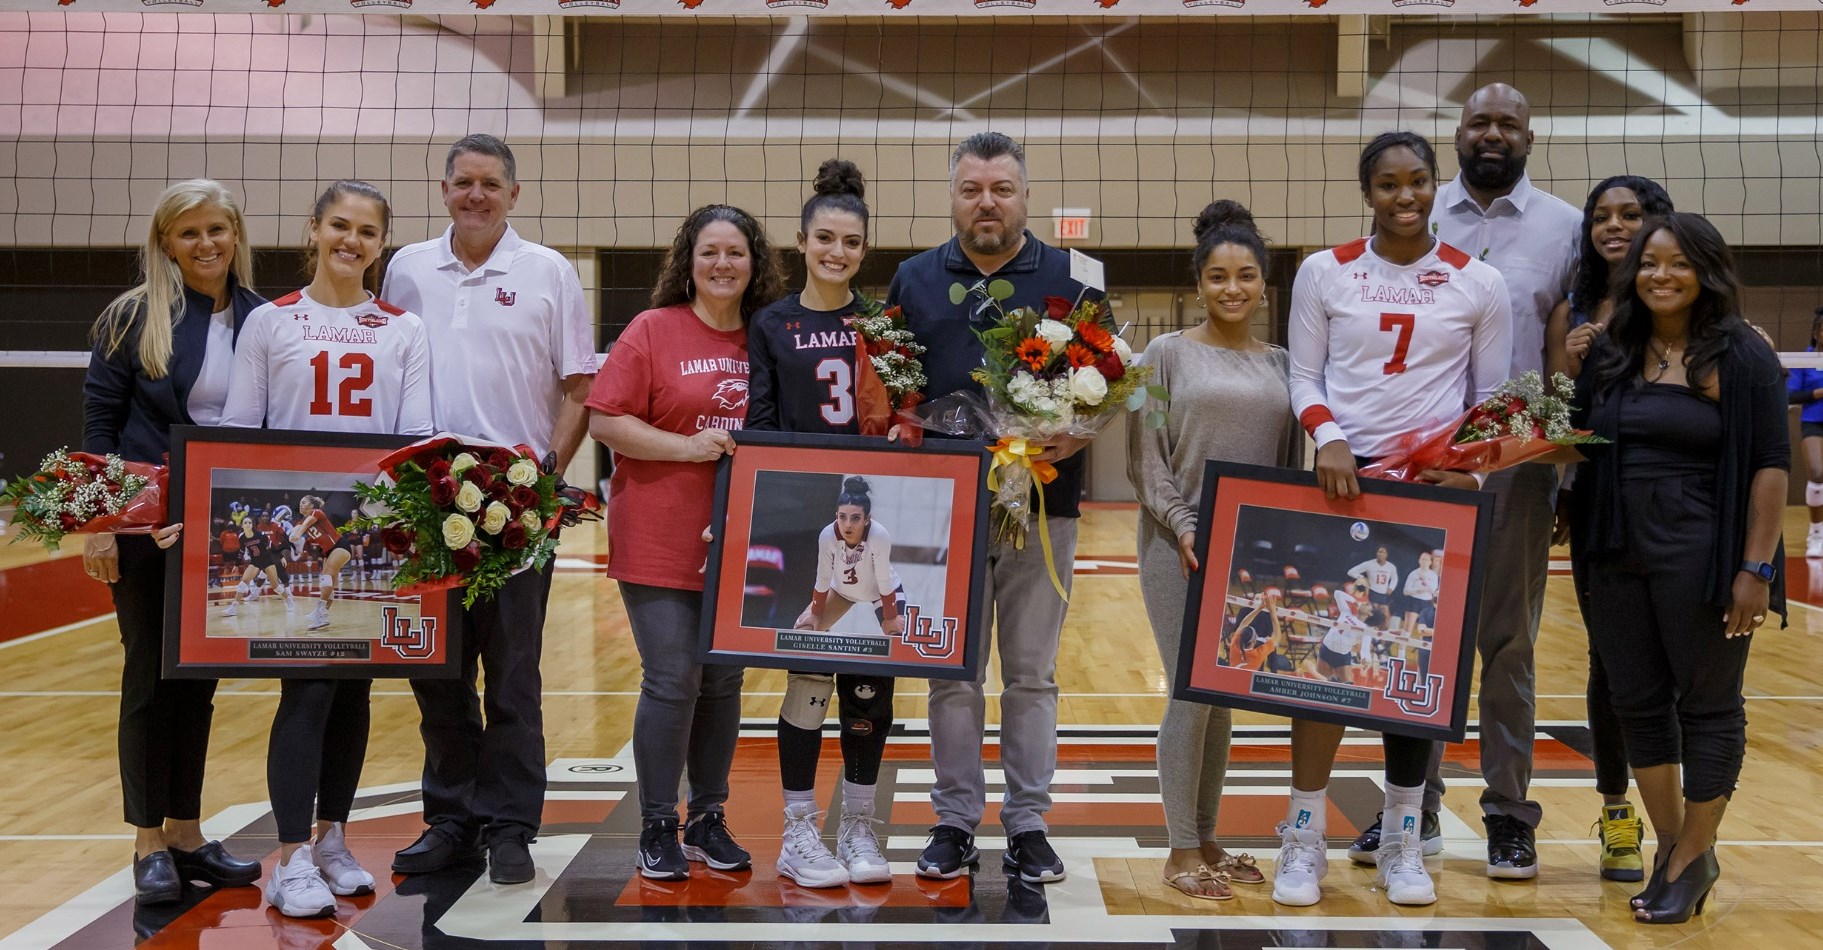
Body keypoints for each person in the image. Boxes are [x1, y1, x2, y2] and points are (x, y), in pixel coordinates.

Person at [1282, 130, 1512, 908]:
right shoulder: (1324, 270)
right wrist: (1331, 439)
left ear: (1435, 184)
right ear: (1367, 190)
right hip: (1339, 488)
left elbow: (1492, 403)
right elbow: (1305, 375)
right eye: (1387, 184)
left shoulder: (1478, 283)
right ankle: (1302, 840)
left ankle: (1404, 844)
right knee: (1324, 672)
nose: (1404, 196)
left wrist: (1467, 464)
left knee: (1413, 673)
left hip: (1431, 501)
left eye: (1417, 182)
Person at [1365, 83, 1583, 883]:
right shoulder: (1415, 211)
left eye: (1507, 123)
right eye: (1477, 122)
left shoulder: (1563, 229)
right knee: (1413, 644)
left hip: (1515, 474)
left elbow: (1589, 336)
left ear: (1530, 135)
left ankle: (1505, 815)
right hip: (1418, 468)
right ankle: (1409, 809)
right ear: (1455, 134)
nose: (1492, 134)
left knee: (1508, 643)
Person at [380, 134, 600, 886]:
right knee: (437, 677)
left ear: (514, 193)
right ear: (443, 190)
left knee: (511, 680)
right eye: (463, 182)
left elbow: (580, 387)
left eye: (491, 184)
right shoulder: (405, 268)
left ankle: (509, 826)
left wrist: (543, 484)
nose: (476, 195)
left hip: (515, 514)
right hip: (423, 507)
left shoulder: (549, 272)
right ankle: (451, 819)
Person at [886, 131, 1099, 884]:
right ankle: (951, 821)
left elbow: (1106, 388)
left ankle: (1029, 824)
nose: (986, 202)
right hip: (940, 511)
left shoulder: (1075, 277)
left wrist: (1079, 432)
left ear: (1024, 196)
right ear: (952, 197)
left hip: (1044, 505)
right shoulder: (909, 281)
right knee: (951, 673)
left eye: (1001, 189)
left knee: (1032, 674)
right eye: (972, 189)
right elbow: (894, 395)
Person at [1564, 212, 1785, 924]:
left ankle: (1693, 853)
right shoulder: (1611, 353)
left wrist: (1755, 567)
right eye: (1649, 263)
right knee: (1635, 704)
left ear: (1705, 271)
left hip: (1701, 552)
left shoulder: (1741, 355)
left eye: (1678, 263)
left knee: (1709, 706)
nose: (1661, 275)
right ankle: (1673, 850)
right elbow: (1577, 442)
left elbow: (1769, 468)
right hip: (1613, 548)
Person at [221, 179, 433, 918]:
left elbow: (413, 436)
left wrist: (378, 514)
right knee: (307, 688)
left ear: (382, 245)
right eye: (338, 226)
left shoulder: (404, 329)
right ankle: (289, 857)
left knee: (354, 689)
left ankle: (333, 837)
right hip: (296, 514)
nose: (351, 241)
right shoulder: (271, 323)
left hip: (368, 516)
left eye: (367, 232)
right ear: (313, 230)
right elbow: (241, 433)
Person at [79, 179, 267, 906]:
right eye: (189, 233)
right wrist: (104, 524)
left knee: (198, 683)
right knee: (147, 681)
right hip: (145, 528)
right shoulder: (133, 317)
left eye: (217, 229)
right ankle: (147, 841)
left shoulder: (262, 318)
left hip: (220, 532)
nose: (206, 244)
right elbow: (100, 423)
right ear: (165, 243)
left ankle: (188, 832)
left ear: (236, 234)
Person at [587, 204, 784, 881]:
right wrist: (688, 447)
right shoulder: (652, 329)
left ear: (754, 262)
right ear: (688, 261)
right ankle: (656, 824)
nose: (722, 264)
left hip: (742, 541)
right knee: (673, 680)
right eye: (709, 252)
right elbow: (605, 420)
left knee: (724, 682)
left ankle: (707, 816)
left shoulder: (768, 335)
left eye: (735, 252)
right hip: (658, 535)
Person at [1126, 199, 1297, 901]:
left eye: (1246, 276)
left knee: (1222, 698)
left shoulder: (1284, 363)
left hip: (1248, 553)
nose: (1233, 289)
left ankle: (1205, 835)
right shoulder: (1161, 356)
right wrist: (1181, 521)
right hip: (1179, 544)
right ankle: (1177, 850)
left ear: (1263, 285)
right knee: (1189, 695)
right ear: (1197, 283)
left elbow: (1288, 465)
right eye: (1218, 277)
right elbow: (1144, 458)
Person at [746, 159, 901, 889]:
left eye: (850, 242)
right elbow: (761, 426)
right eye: (824, 239)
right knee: (808, 680)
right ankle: (799, 829)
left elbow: (907, 421)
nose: (836, 252)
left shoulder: (882, 325)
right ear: (801, 242)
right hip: (810, 517)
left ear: (864, 250)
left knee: (870, 685)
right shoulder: (771, 323)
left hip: (871, 518)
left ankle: (862, 827)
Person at [1549, 174, 1676, 883]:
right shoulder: (1576, 307)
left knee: (1675, 671)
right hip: (1601, 504)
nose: (1613, 226)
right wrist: (1571, 366)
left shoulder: (1684, 294)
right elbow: (1564, 420)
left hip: (1678, 509)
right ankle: (1615, 813)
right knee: (1609, 666)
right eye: (1600, 216)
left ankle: (1685, 824)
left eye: (1629, 214)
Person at [289, 495, 358, 632]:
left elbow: (307, 523)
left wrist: (298, 534)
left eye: (304, 502)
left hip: (340, 546)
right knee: (328, 582)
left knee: (326, 575)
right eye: (300, 503)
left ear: (311, 504)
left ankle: (320, 612)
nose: (301, 505)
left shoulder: (317, 512)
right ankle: (323, 615)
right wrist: (292, 535)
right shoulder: (300, 521)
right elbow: (295, 532)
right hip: (328, 552)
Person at [1787, 309, 1823, 559]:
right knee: (1818, 473)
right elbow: (1789, 395)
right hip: (1813, 423)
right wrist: (1817, 393)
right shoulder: (1804, 358)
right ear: (1816, 332)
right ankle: (1817, 533)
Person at [222, 512, 294, 618]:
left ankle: (288, 599)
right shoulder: (242, 538)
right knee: (243, 583)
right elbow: (241, 551)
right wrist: (237, 564)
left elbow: (272, 547)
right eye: (245, 522)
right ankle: (233, 607)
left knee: (276, 587)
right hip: (255, 562)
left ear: (252, 525)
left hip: (268, 561)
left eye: (249, 523)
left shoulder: (260, 535)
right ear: (242, 525)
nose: (247, 524)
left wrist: (281, 557)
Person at [1346, 547, 1399, 630]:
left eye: (1383, 552)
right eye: (1379, 552)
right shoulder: (1369, 564)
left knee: (1384, 618)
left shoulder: (1391, 567)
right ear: (1376, 553)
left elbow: (1395, 578)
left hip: (1383, 595)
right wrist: (1362, 578)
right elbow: (1351, 571)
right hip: (1371, 593)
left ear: (1387, 555)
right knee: (1369, 615)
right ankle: (1362, 633)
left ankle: (1380, 639)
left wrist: (1391, 587)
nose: (1381, 554)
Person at [1400, 551, 1440, 635]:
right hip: (1414, 601)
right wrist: (1418, 589)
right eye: (1422, 559)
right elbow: (1405, 591)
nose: (1424, 561)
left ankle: (1421, 648)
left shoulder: (1433, 575)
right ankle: (1402, 648)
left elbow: (1434, 590)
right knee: (1407, 629)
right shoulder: (1413, 573)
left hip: (1427, 603)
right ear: (1419, 560)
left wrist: (1425, 580)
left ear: (1430, 562)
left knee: (1424, 629)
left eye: (1426, 559)